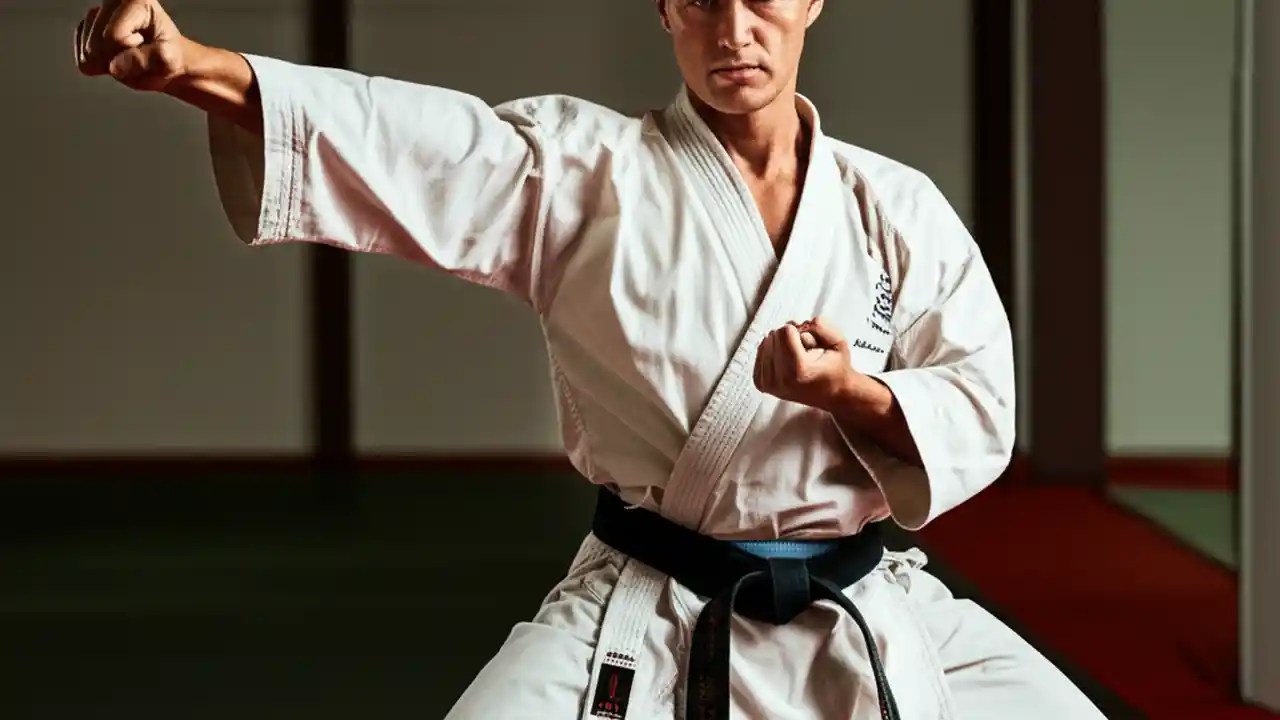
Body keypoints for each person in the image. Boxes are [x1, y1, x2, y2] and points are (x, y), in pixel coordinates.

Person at [74, 0, 1106, 718]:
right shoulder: (585, 169)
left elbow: (974, 402)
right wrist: (196, 69)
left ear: (811, 3)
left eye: (760, 1)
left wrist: (849, 392)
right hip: (650, 605)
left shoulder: (895, 207)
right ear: (665, 9)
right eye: (700, 1)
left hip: (860, 607)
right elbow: (416, 140)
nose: (733, 31)